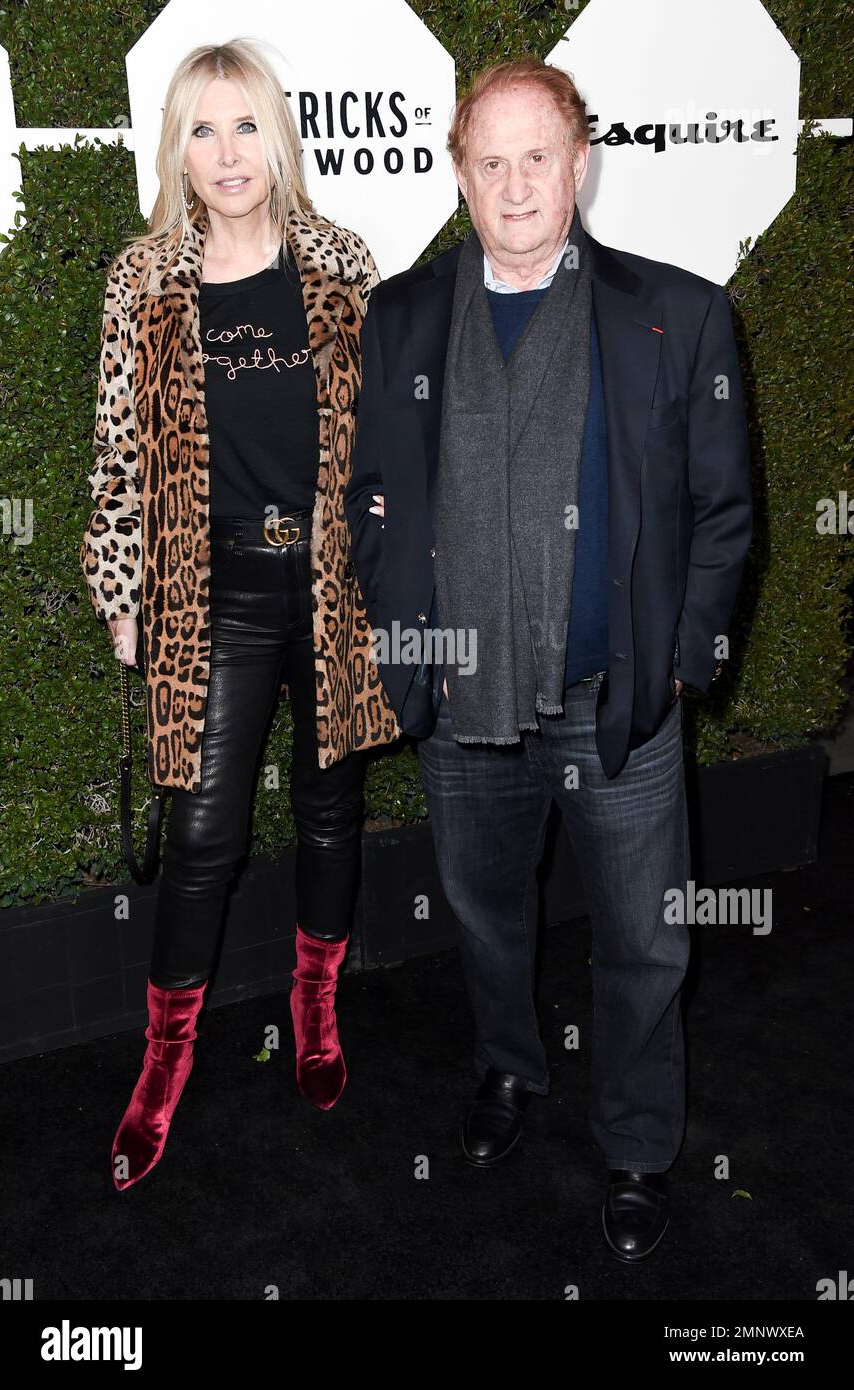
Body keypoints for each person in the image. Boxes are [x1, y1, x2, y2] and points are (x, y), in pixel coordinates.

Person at [346, 59, 752, 1262]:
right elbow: (371, 500)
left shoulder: (675, 314)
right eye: (490, 161)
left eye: (539, 156)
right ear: (458, 174)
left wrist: (679, 662)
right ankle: (509, 1072)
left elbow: (720, 513)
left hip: (613, 699)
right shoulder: (402, 316)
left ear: (580, 162)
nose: (515, 184)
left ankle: (633, 1143)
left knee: (644, 939)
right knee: (485, 917)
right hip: (459, 691)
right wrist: (401, 638)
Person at [79, 38, 398, 1192]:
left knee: (328, 811)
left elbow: (382, 444)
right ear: (178, 145)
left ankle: (316, 1020)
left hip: (332, 590)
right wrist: (124, 589)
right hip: (210, 593)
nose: (225, 154)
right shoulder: (144, 277)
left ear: (277, 135)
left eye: (244, 125)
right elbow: (118, 447)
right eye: (201, 130)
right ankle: (159, 1073)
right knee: (202, 839)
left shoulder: (340, 264)